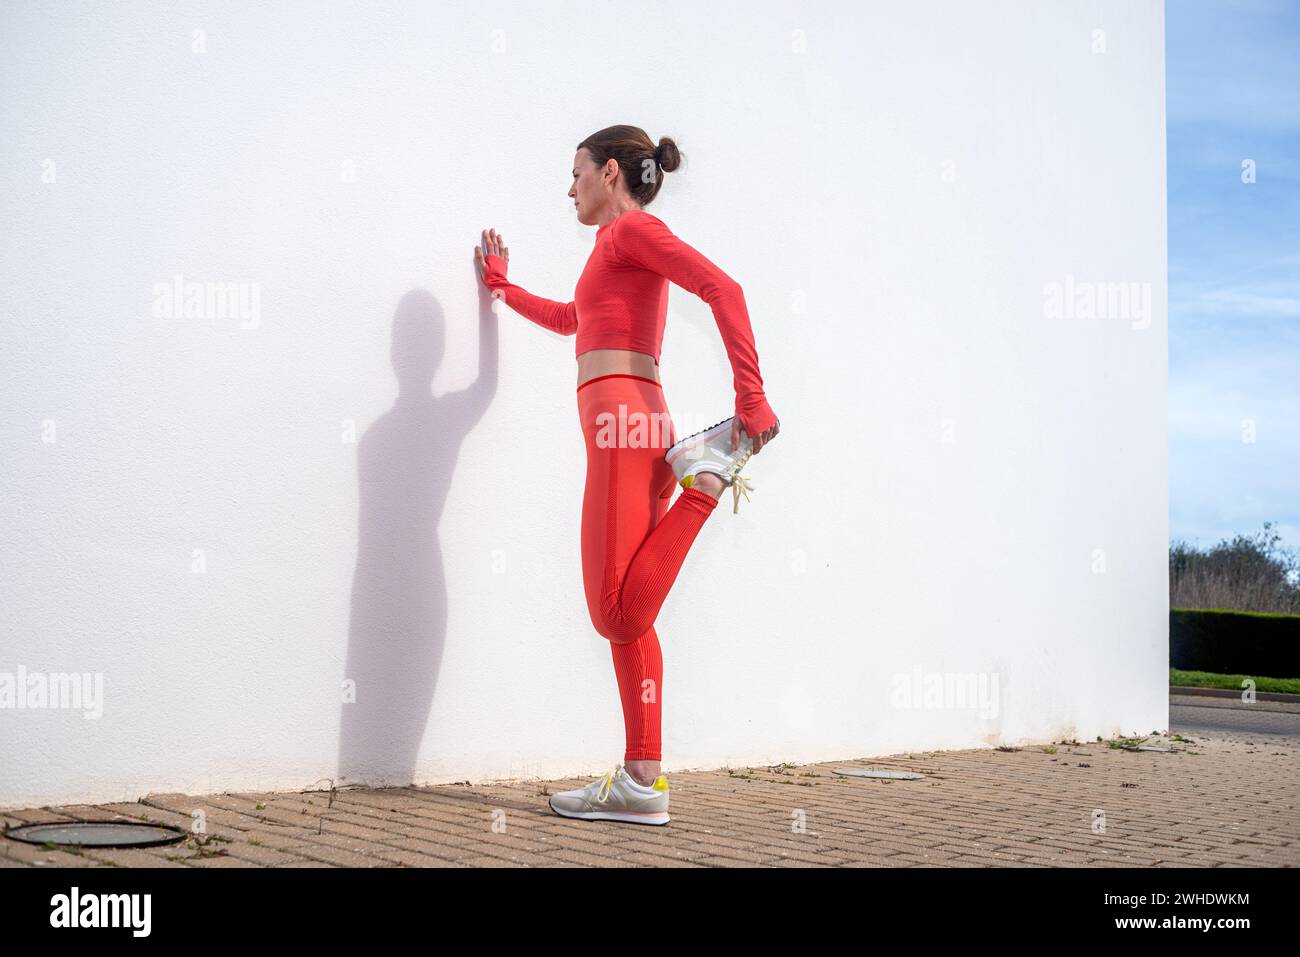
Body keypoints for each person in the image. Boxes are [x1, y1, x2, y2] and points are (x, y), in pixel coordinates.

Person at [473, 124, 780, 825]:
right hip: (639, 424)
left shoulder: (628, 234)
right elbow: (571, 318)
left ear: (610, 172)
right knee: (630, 625)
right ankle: (642, 780)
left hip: (621, 422)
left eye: (576, 172)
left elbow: (722, 287)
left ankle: (706, 481)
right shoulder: (611, 255)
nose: (569, 186)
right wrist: (502, 288)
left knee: (613, 610)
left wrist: (750, 398)